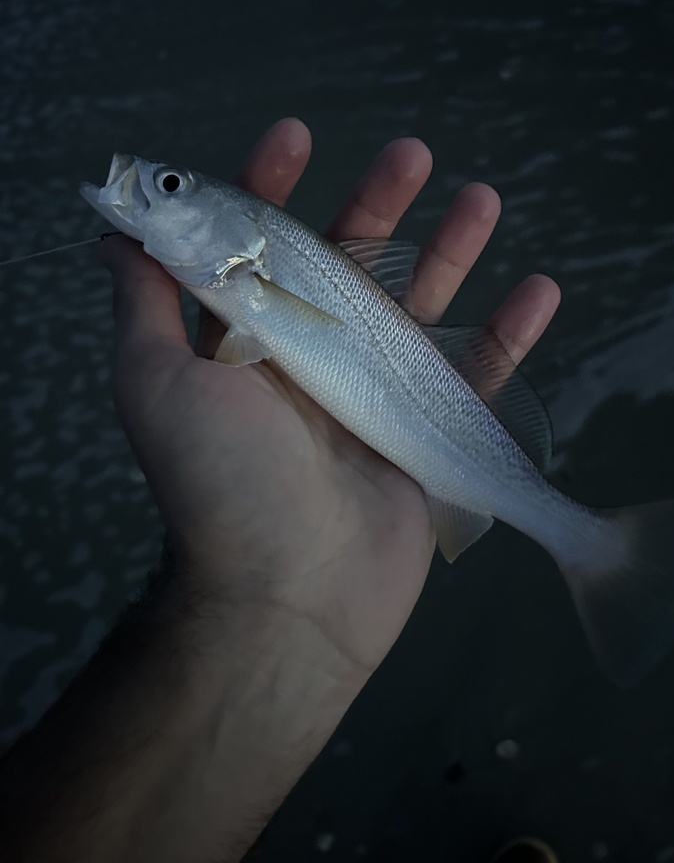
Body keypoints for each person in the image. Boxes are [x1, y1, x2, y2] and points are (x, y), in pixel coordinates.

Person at [0, 119, 561, 861]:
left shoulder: (252, 274)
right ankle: (583, 539)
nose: (147, 181)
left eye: (169, 185)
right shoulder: (239, 280)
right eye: (168, 181)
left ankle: (582, 539)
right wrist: (260, 604)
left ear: (248, 242)